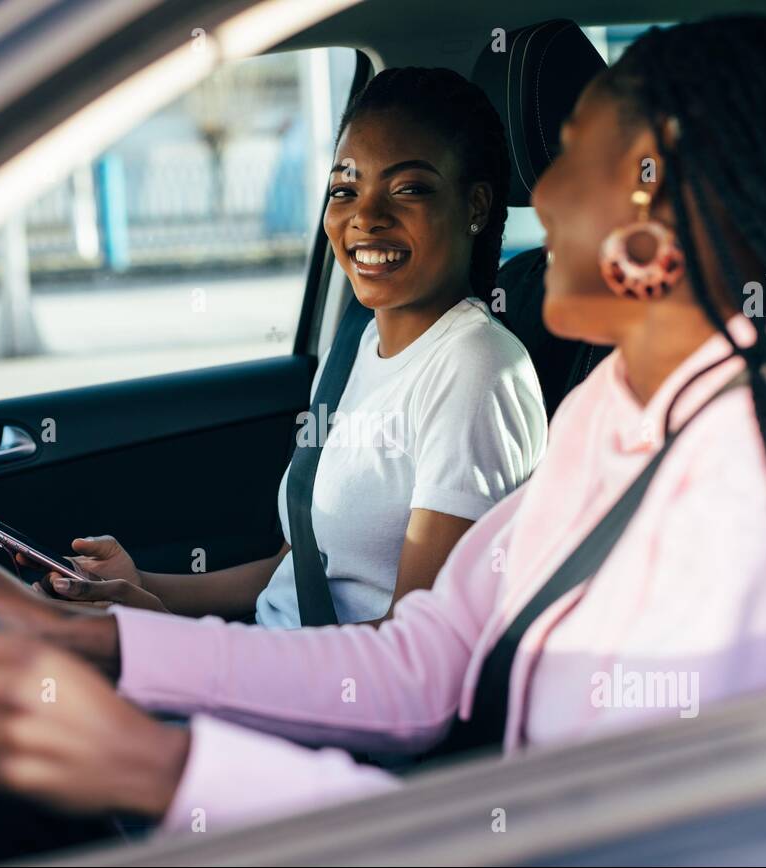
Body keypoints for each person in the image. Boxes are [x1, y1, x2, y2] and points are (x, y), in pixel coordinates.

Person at [0, 17, 766, 833]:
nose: (542, 191)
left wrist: (161, 766)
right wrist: (92, 638)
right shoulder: (613, 413)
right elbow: (423, 657)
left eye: (571, 155)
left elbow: (612, 833)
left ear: (657, 215)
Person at [43, 68, 547, 628]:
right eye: (344, 190)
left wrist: (174, 642)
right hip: (277, 668)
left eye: (407, 189)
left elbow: (418, 652)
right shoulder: (354, 346)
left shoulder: (476, 369)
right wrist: (137, 587)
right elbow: (300, 569)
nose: (366, 217)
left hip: (336, 705)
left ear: (475, 207)